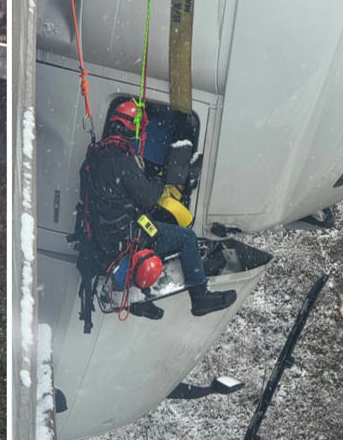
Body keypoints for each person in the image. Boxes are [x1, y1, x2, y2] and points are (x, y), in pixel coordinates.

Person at [86, 99, 236, 317]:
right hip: (124, 234)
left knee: (154, 230)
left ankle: (137, 299)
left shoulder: (100, 153)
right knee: (186, 238)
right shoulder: (123, 160)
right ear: (131, 128)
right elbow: (148, 197)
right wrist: (161, 178)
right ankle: (200, 295)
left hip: (107, 233)